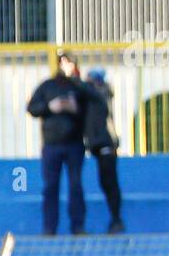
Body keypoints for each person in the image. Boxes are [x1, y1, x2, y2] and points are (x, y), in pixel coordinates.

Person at [26, 52, 88, 235]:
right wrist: (49, 107)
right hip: (51, 145)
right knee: (50, 187)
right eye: (61, 62)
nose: (64, 65)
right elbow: (32, 108)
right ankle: (49, 228)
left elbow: (92, 109)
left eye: (68, 62)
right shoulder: (47, 86)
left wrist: (74, 108)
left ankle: (78, 226)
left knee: (75, 186)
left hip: (74, 144)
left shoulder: (79, 87)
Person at [81, 67, 124, 233]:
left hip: (106, 142)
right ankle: (115, 218)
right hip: (96, 143)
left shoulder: (101, 94)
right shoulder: (89, 97)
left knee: (109, 181)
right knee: (104, 182)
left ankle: (116, 218)